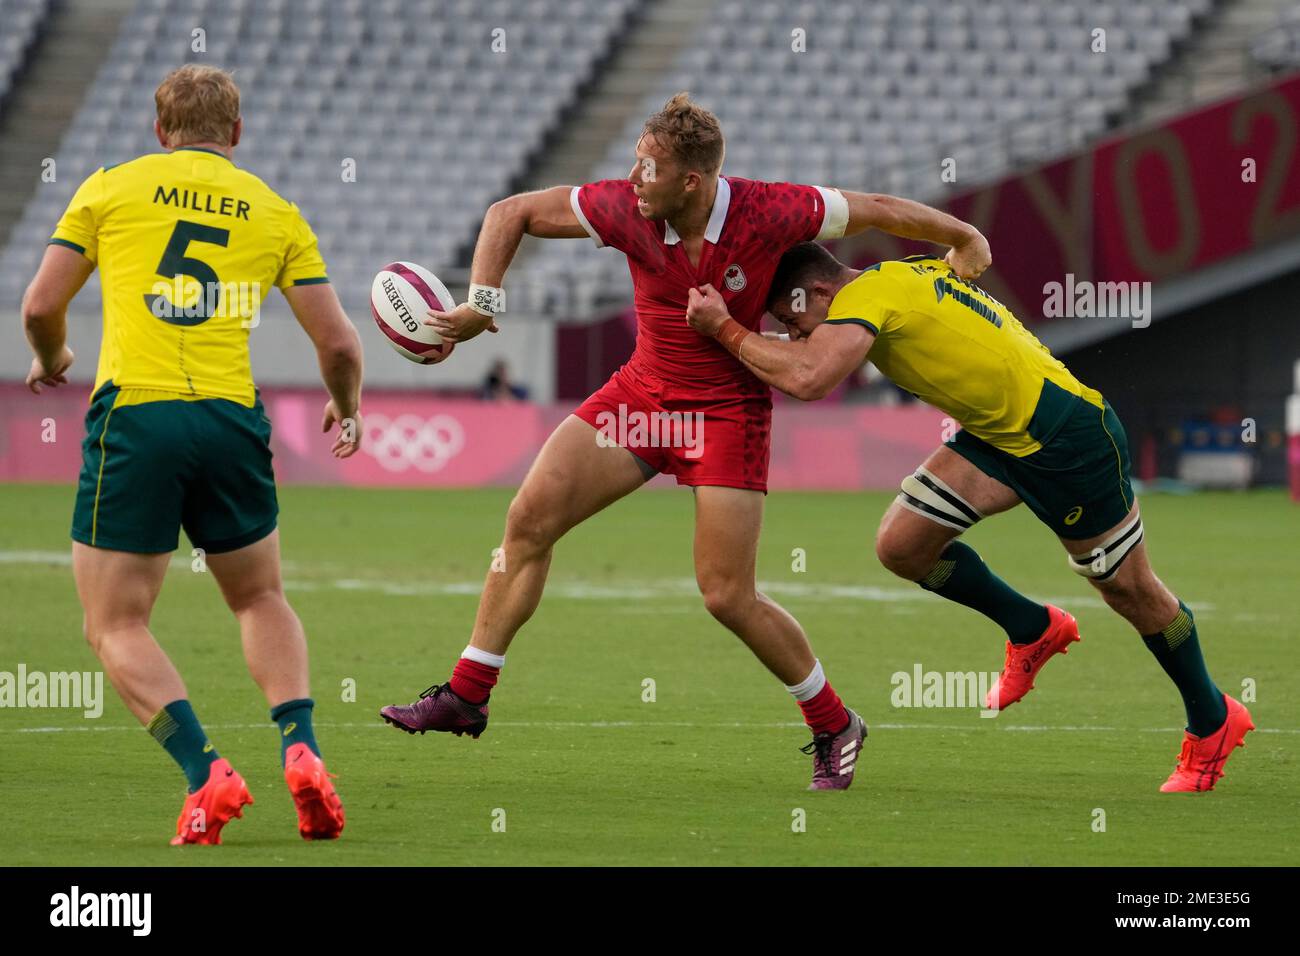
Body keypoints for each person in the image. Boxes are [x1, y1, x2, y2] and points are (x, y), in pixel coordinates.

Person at [380, 93, 991, 790]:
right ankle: (467, 695)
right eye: (637, 163)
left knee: (727, 595)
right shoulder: (624, 207)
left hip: (727, 415)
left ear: (691, 182)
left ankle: (834, 722)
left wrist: (963, 235)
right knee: (526, 523)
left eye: (649, 167)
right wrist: (480, 303)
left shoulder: (772, 210)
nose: (635, 178)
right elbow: (509, 213)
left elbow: (877, 206)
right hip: (641, 399)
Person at [684, 243, 1253, 792]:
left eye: (792, 317)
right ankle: (1034, 628)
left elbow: (808, 378)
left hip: (1065, 437)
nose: (794, 334)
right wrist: (965, 239)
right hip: (1000, 435)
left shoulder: (865, 298)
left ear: (818, 291)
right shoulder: (896, 276)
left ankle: (1212, 718)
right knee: (903, 545)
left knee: (1131, 591)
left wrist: (726, 330)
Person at [21, 65, 364, 842]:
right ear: (236, 135)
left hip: (138, 419)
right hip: (230, 419)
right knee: (259, 597)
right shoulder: (274, 211)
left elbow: (42, 304)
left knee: (114, 622)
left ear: (159, 130)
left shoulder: (111, 187)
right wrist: (347, 408)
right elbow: (339, 341)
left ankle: (205, 771)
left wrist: (51, 354)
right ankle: (302, 748)